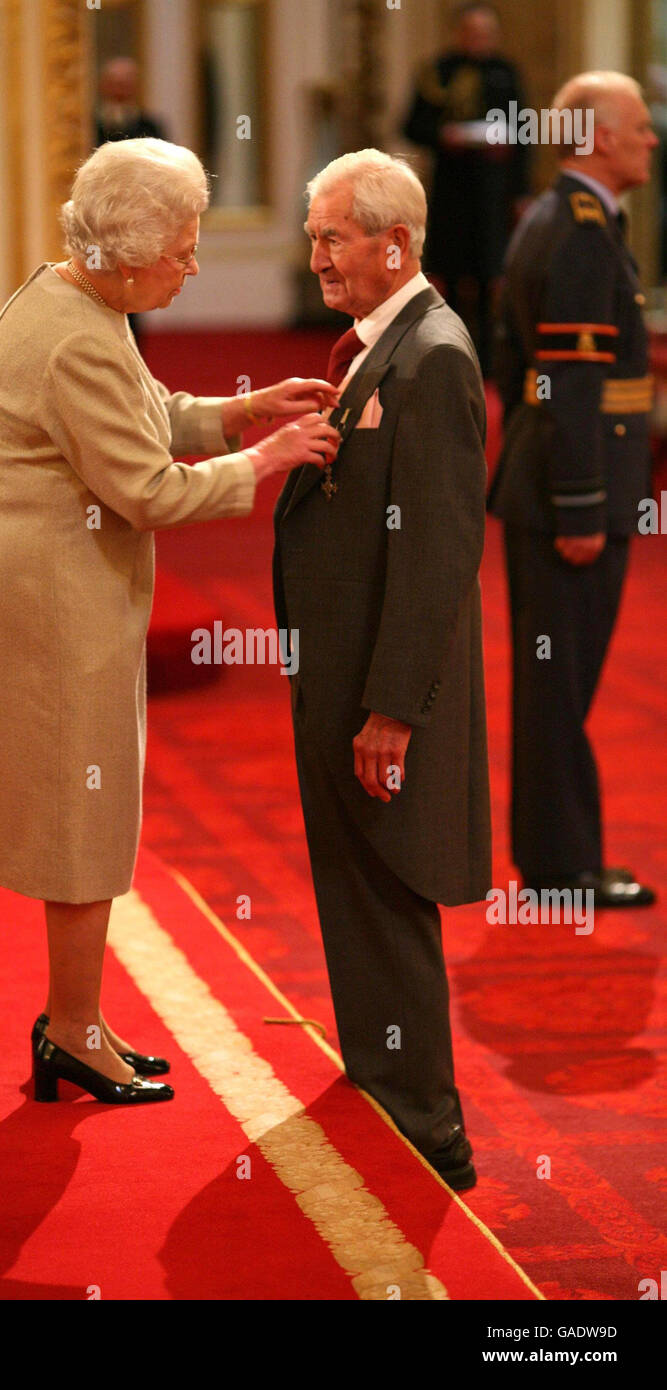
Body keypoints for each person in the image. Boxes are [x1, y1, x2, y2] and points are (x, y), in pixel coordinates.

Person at [0, 138, 339, 1107]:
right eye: (183, 249)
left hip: (56, 580)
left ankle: (76, 1016)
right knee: (80, 813)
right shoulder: (81, 329)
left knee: (87, 806)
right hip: (53, 598)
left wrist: (242, 410)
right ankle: (72, 1032)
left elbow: (146, 410)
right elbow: (150, 488)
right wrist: (274, 455)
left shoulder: (75, 295)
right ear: (124, 251)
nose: (194, 266)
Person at [273, 150, 491, 1190]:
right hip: (342, 677)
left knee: (390, 896)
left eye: (331, 238)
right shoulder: (383, 345)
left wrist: (392, 711)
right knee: (357, 892)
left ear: (391, 244)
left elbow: (441, 554)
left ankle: (428, 1132)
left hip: (379, 694)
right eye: (315, 235)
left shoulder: (433, 354)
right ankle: (380, 1087)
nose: (315, 256)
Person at [490, 72, 658, 908]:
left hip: (543, 480)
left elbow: (511, 366)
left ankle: (559, 858)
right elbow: (568, 379)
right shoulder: (582, 232)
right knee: (557, 686)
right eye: (637, 127)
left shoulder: (553, 218)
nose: (651, 140)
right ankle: (562, 869)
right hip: (569, 495)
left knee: (555, 681)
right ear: (595, 138)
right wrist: (583, 504)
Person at [402, 1, 529, 372]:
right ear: (459, 33)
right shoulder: (437, 71)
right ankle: (452, 352)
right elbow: (411, 126)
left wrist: (521, 192)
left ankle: (489, 359)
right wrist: (445, 135)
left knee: (491, 274)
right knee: (452, 275)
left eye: (486, 33)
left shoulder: (507, 72)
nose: (479, 40)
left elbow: (523, 137)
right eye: (472, 33)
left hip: (493, 193)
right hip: (452, 191)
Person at [95, 58, 166, 146]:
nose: (119, 91)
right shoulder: (89, 125)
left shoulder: (150, 127)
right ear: (103, 86)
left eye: (125, 85)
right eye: (114, 84)